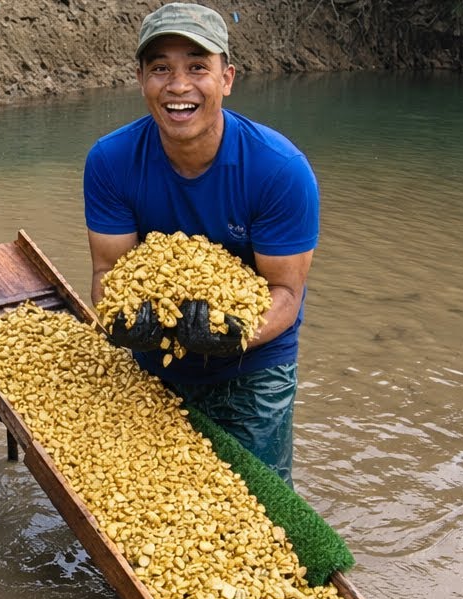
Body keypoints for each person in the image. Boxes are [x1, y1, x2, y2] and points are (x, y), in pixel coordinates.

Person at [84, 3, 319, 486]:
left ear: (226, 78)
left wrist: (232, 335)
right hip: (156, 359)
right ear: (141, 79)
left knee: (256, 501)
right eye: (161, 69)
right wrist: (124, 323)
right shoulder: (111, 161)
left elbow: (285, 294)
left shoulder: (278, 169)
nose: (178, 85)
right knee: (155, 497)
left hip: (253, 366)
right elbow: (109, 274)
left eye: (197, 66)